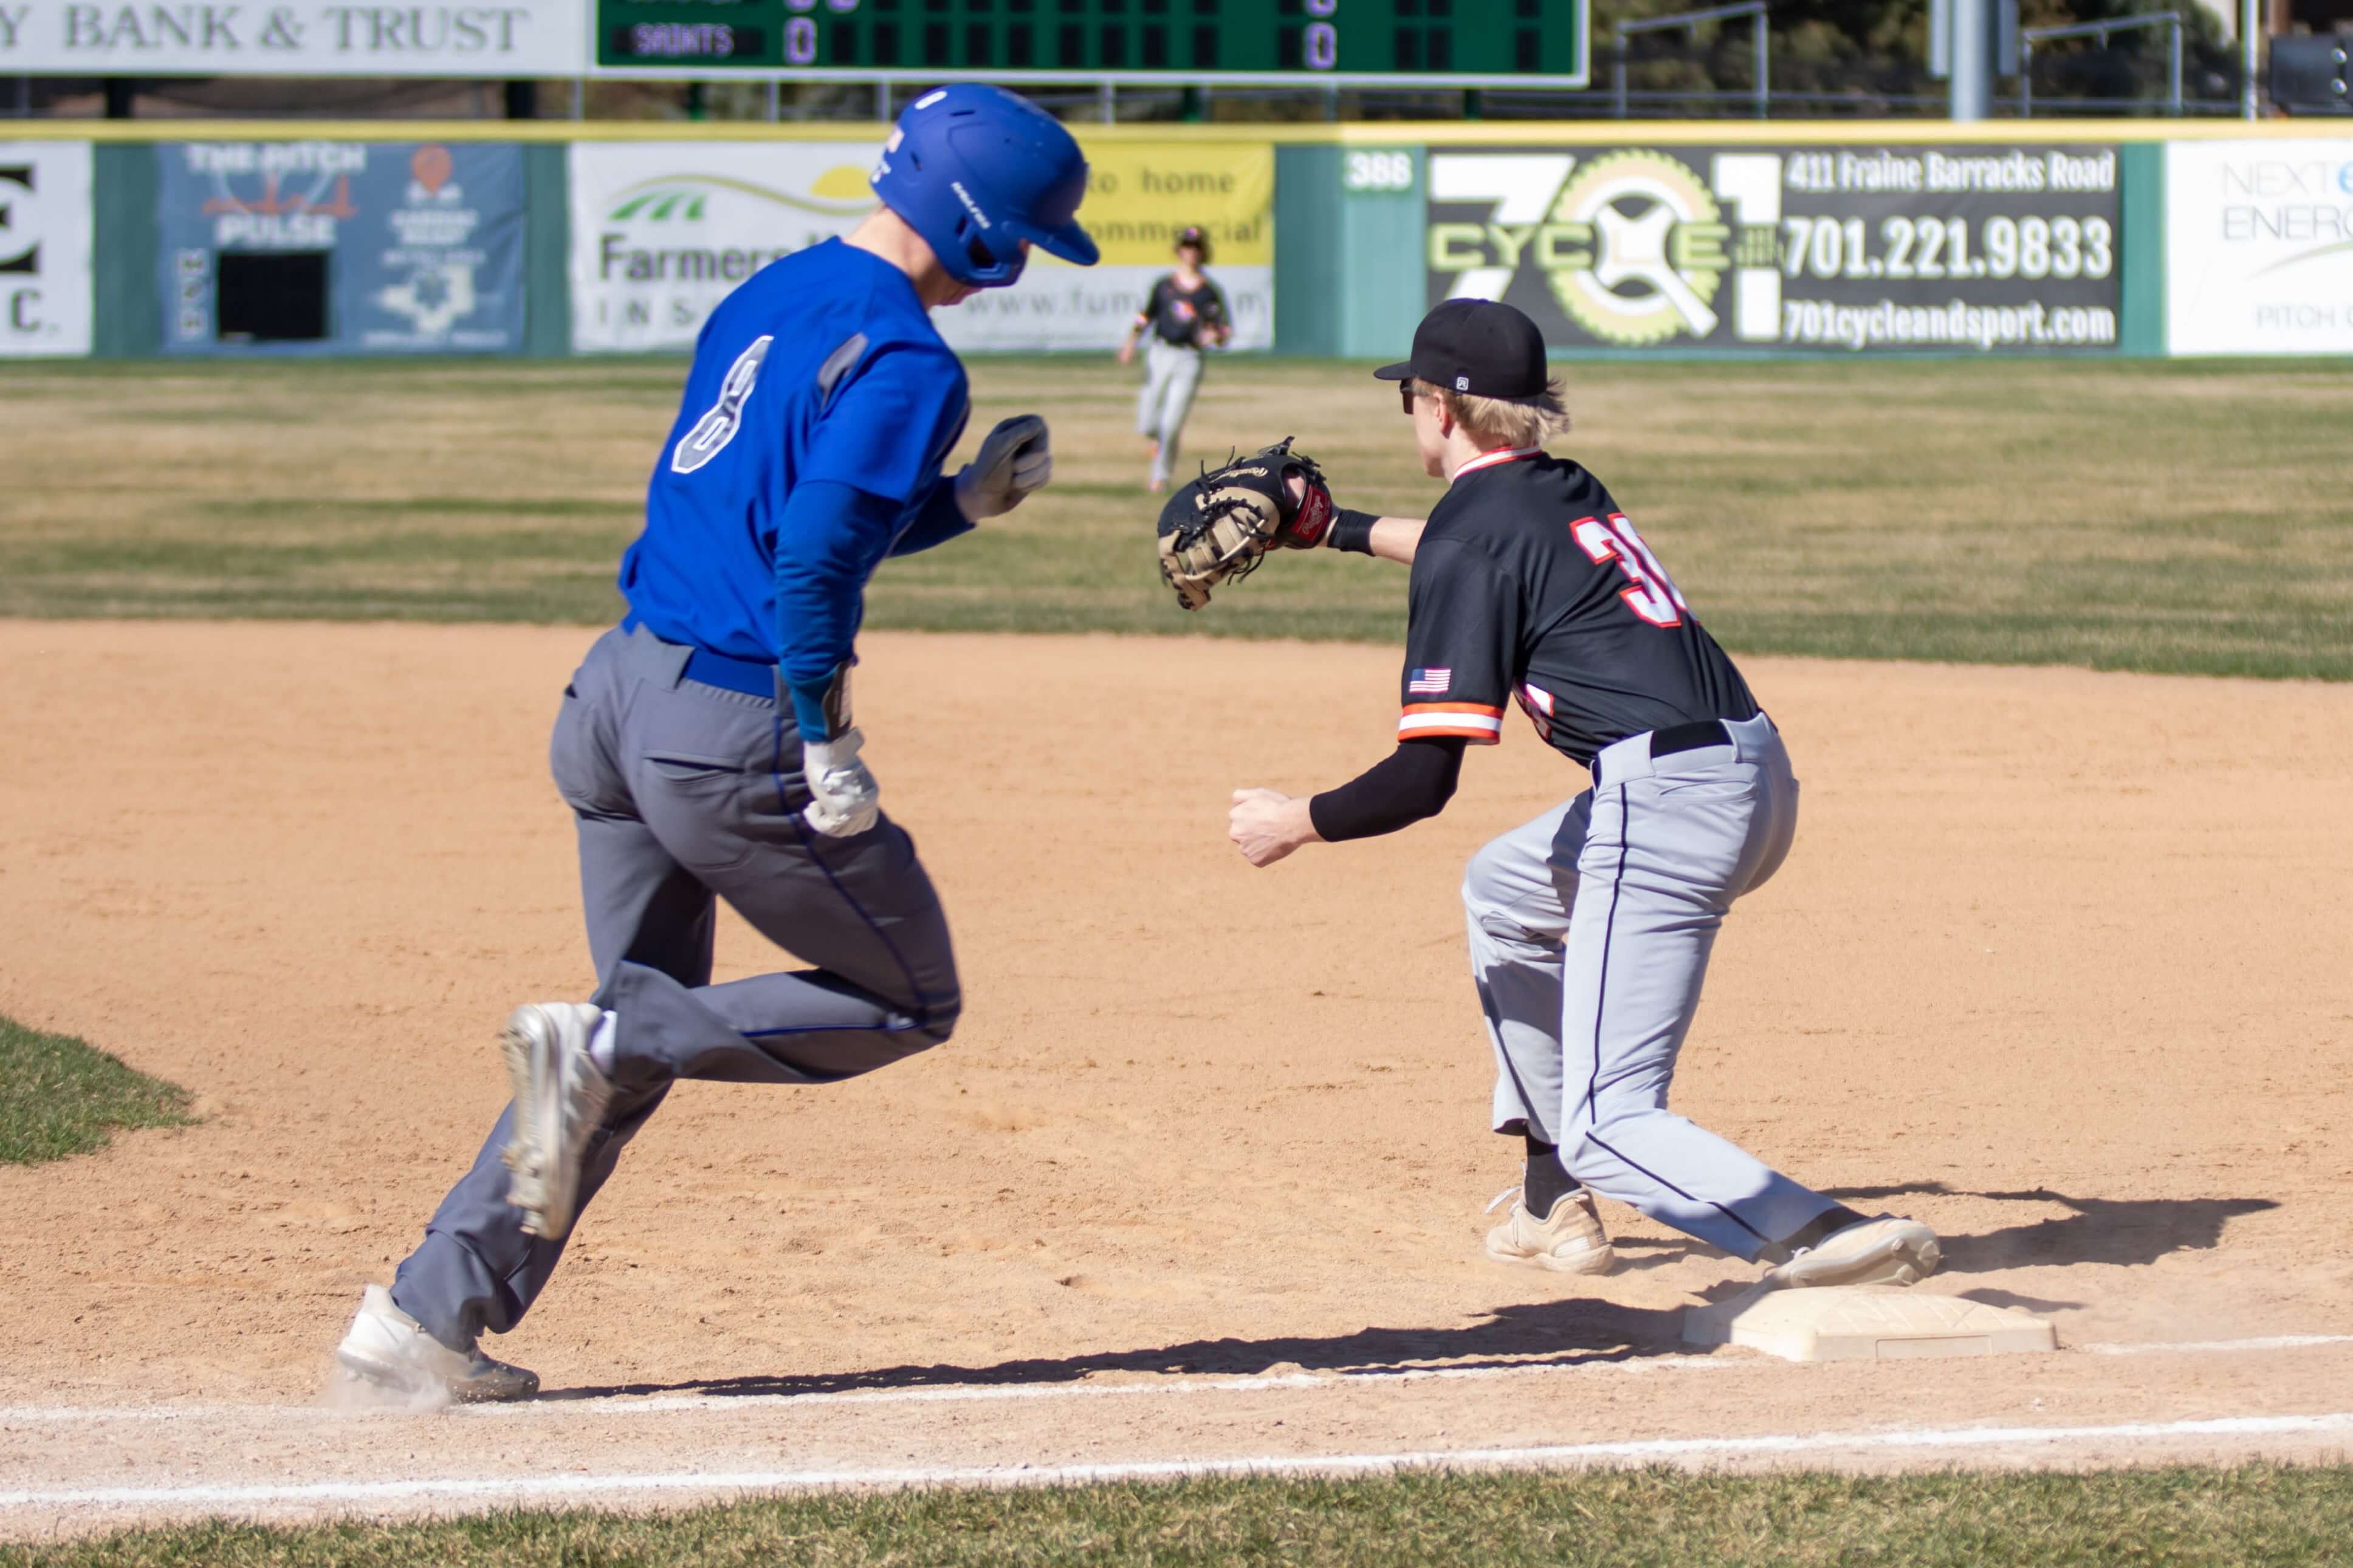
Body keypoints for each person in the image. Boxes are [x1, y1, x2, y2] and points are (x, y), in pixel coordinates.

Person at [332, 84, 1098, 1402]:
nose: (1022, 264)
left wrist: (956, 506)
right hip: (725, 730)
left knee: (626, 1038)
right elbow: (805, 565)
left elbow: (781, 515)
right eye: (1024, 238)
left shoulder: (772, 294)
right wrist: (827, 736)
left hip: (615, 698)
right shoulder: (914, 361)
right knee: (902, 998)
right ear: (979, 230)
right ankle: (611, 1043)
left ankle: (425, 1319)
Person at [1225, 299, 1942, 1292]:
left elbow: (1423, 780)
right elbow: (1472, 544)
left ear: (1442, 407)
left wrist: (1294, 821)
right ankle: (1543, 1195)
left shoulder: (1472, 540)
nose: (1409, 415)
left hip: (1666, 810)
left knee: (1613, 1122)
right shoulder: (1559, 488)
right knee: (1504, 889)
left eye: (1410, 398)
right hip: (1750, 769)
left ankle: (1812, 1234)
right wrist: (1334, 528)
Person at [1119, 225, 1231, 493]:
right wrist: (1130, 342)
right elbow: (1145, 316)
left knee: (1171, 424)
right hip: (1160, 353)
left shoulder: (1208, 292)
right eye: (1187, 246)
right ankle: (1154, 440)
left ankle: (1160, 476)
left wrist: (1215, 337)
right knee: (1147, 420)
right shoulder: (1165, 286)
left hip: (1189, 357)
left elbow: (1221, 331)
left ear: (1202, 252)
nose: (1191, 252)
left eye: (1196, 247)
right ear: (1179, 250)